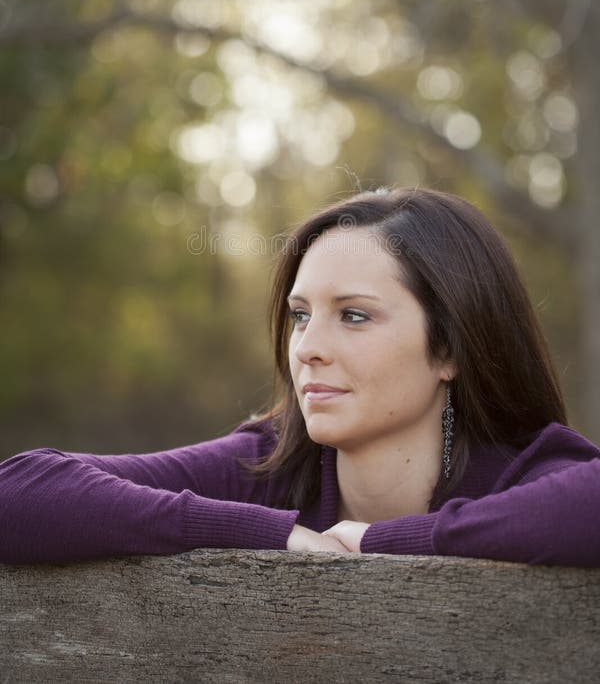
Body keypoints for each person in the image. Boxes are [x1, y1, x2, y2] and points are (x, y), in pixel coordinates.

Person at [1, 186, 599, 566]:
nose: (307, 349)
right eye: (301, 316)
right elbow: (21, 489)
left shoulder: (523, 476)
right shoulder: (268, 466)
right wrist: (264, 531)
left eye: (355, 316)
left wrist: (385, 544)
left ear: (450, 348)